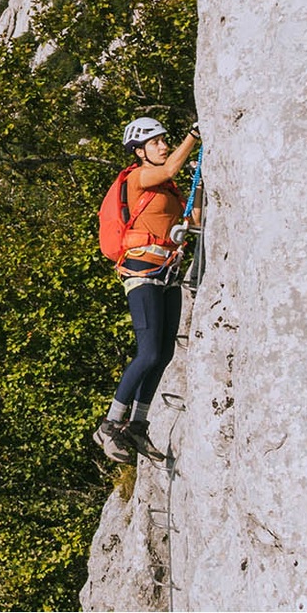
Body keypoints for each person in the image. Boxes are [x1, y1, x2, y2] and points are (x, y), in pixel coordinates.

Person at [93, 116, 201, 463]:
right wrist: (194, 137)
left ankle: (136, 424)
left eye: (164, 140)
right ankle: (109, 424)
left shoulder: (170, 191)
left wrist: (199, 180)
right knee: (149, 352)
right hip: (141, 270)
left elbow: (195, 221)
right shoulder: (138, 178)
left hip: (166, 273)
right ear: (139, 151)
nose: (163, 146)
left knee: (164, 353)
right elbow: (169, 168)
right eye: (155, 142)